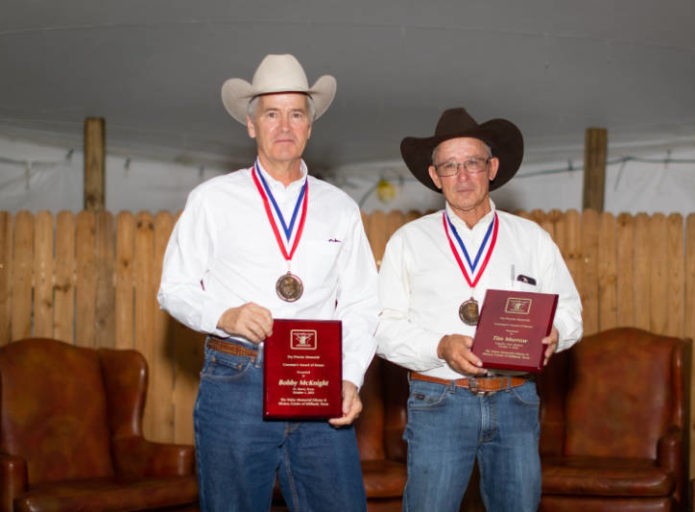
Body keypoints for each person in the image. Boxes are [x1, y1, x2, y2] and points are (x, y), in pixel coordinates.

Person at [157, 54, 378, 512]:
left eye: (296, 114)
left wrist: (350, 377)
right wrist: (225, 315)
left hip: (319, 382)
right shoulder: (213, 200)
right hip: (238, 377)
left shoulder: (340, 207)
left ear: (310, 126)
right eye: (271, 114)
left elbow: (361, 301)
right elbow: (174, 288)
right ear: (251, 125)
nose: (284, 125)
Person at [375, 108, 583, 512]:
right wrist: (440, 346)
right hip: (438, 398)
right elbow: (382, 327)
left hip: (515, 398)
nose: (463, 176)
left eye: (472, 162)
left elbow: (570, 311)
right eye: (450, 166)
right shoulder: (408, 241)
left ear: (492, 168)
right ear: (435, 176)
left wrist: (556, 332)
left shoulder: (532, 239)